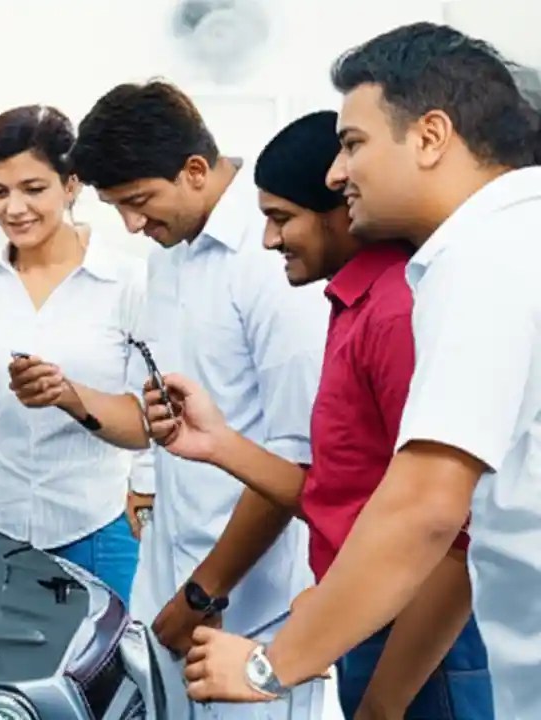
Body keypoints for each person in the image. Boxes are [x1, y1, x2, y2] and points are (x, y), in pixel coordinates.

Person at [177, 23, 541, 719]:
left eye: (353, 144)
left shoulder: (481, 260)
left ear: (431, 137)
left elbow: (427, 508)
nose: (337, 172)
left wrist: (268, 662)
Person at [143, 109, 492, 718]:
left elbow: (452, 538)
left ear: (343, 211)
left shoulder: (392, 312)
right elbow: (342, 497)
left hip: (418, 641)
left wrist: (380, 706)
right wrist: (219, 444)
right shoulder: (352, 304)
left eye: (282, 219)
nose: (271, 240)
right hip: (372, 621)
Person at [12, 80, 330, 719]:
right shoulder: (170, 251)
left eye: (138, 202)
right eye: (116, 207)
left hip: (251, 611)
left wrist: (204, 594)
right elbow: (162, 421)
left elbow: (299, 468)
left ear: (193, 171)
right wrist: (87, 400)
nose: (132, 224)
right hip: (171, 589)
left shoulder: (275, 259)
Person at [0, 105, 151, 602]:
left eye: (33, 189)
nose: (14, 209)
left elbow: (151, 403)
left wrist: (147, 488)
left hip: (99, 521)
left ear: (71, 185)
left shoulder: (128, 282)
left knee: (106, 670)